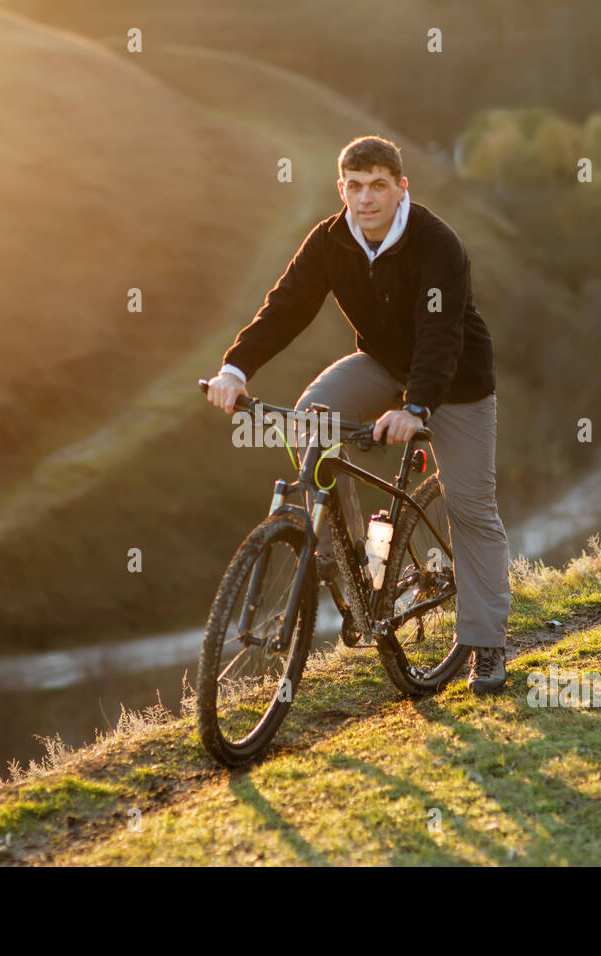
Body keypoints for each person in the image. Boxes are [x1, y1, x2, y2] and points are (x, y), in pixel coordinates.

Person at [205, 135, 511, 694]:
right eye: (354, 186)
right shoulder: (331, 240)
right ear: (340, 188)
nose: (365, 198)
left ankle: (487, 643)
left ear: (401, 189)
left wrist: (415, 407)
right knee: (309, 419)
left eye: (377, 186)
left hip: (457, 381)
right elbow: (286, 306)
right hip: (382, 363)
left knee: (470, 504)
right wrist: (235, 369)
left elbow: (441, 337)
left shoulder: (437, 244)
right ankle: (342, 560)